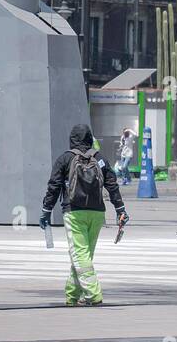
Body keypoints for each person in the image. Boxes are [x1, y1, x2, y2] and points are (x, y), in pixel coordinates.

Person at [40, 123, 128, 306]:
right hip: (97, 213)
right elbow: (112, 184)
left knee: (80, 254)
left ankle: (93, 295)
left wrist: (46, 211)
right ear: (90, 139)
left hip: (74, 212)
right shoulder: (100, 159)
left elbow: (53, 186)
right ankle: (72, 295)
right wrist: (120, 209)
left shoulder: (65, 159)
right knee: (84, 254)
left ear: (72, 139)